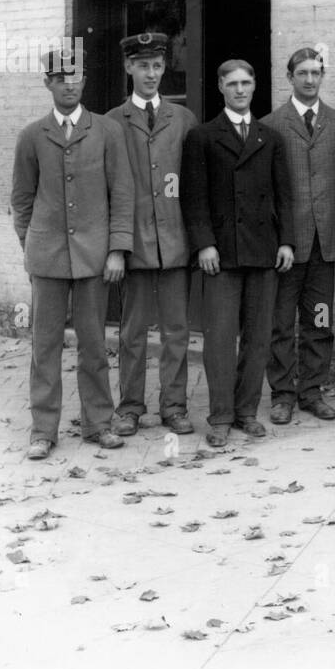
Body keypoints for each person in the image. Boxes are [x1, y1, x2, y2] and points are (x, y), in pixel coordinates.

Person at [11, 46, 133, 460]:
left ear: (85, 80)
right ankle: (43, 429)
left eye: (75, 76)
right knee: (43, 345)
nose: (69, 84)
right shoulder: (32, 135)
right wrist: (33, 245)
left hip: (94, 258)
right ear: (48, 83)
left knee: (94, 344)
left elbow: (122, 193)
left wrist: (116, 250)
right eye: (60, 78)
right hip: (46, 259)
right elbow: (22, 200)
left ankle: (99, 422)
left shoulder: (105, 132)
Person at [182, 59, 294, 448]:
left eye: (247, 82)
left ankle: (247, 411)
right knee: (219, 339)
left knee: (259, 338)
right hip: (222, 255)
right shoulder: (202, 136)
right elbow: (193, 198)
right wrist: (204, 244)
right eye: (233, 84)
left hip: (263, 251)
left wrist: (287, 241)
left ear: (255, 85)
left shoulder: (270, 137)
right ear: (220, 87)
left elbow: (285, 194)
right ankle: (220, 416)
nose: (241, 90)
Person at [106, 32, 198, 438]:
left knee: (177, 331)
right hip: (135, 245)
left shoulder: (183, 119)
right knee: (132, 332)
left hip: (176, 243)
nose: (151, 74)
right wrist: (117, 245)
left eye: (157, 65)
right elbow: (106, 190)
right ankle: (130, 406)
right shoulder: (111, 122)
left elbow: (193, 186)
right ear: (128, 67)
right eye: (142, 65)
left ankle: (174, 406)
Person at [260, 47, 335, 425]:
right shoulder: (273, 125)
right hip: (288, 248)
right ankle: (282, 394)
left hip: (325, 244)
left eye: (316, 72)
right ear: (289, 77)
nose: (310, 80)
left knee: (320, 320)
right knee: (280, 323)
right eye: (303, 73)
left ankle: (313, 390)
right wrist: (281, 239)